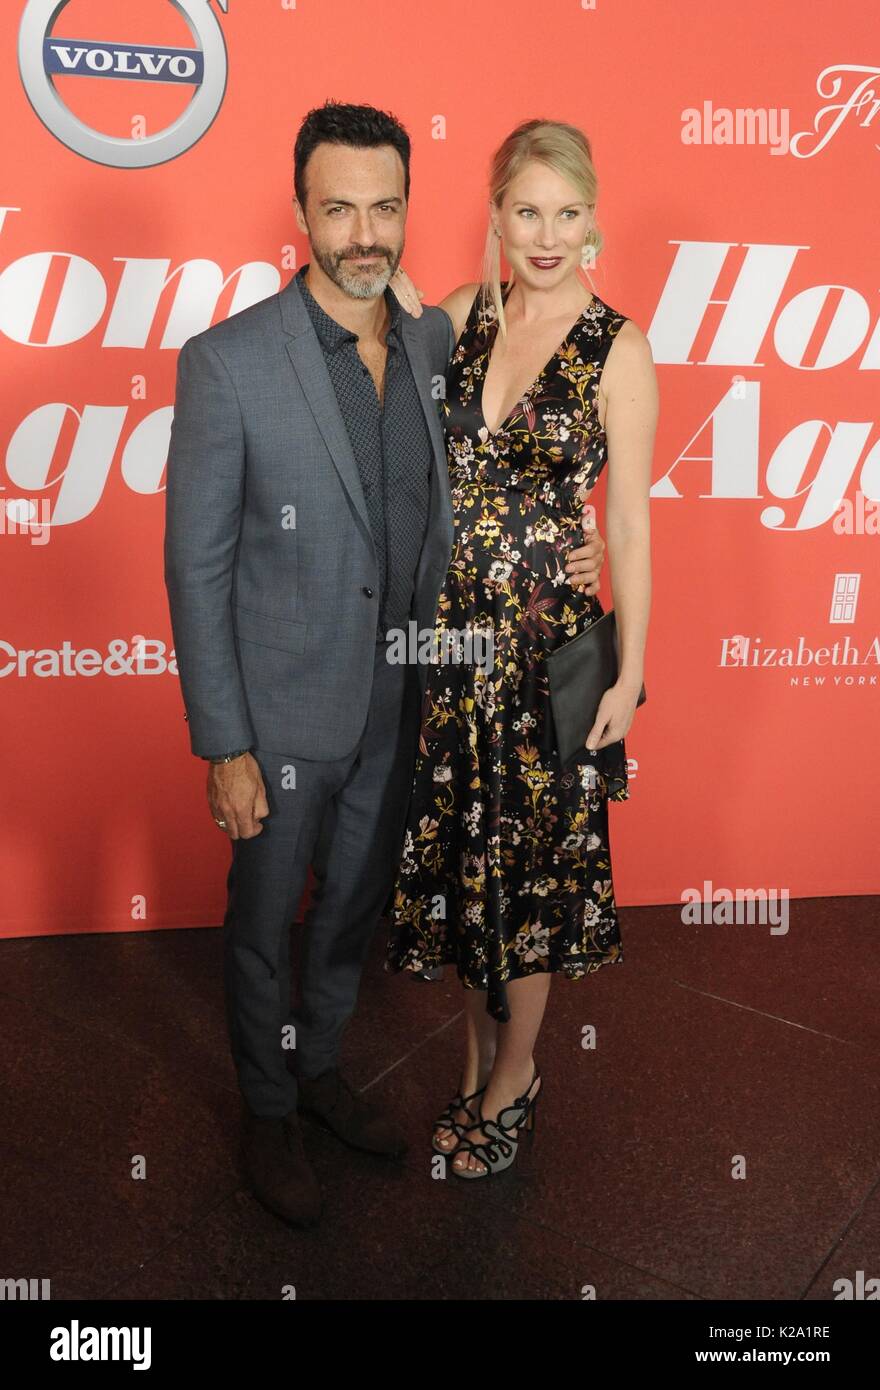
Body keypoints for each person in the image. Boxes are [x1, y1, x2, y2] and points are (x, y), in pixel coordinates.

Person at [163, 102, 607, 1226]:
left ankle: (317, 1076)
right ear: (301, 211)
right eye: (339, 207)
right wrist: (225, 741)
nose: (365, 232)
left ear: (408, 208)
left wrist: (566, 542)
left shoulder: (427, 339)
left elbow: (482, 489)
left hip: (405, 697)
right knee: (265, 920)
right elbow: (195, 567)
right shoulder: (228, 362)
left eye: (385, 206)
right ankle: (267, 1109)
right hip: (277, 714)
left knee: (351, 909)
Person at [385, 119, 657, 1177]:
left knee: (535, 876)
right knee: (464, 871)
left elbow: (627, 523)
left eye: (568, 212)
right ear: (495, 213)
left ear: (595, 219)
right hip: (454, 656)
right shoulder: (457, 315)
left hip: (551, 657)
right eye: (527, 210)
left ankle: (516, 1075)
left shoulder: (615, 346)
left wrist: (631, 671)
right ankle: (471, 1061)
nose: (547, 234)